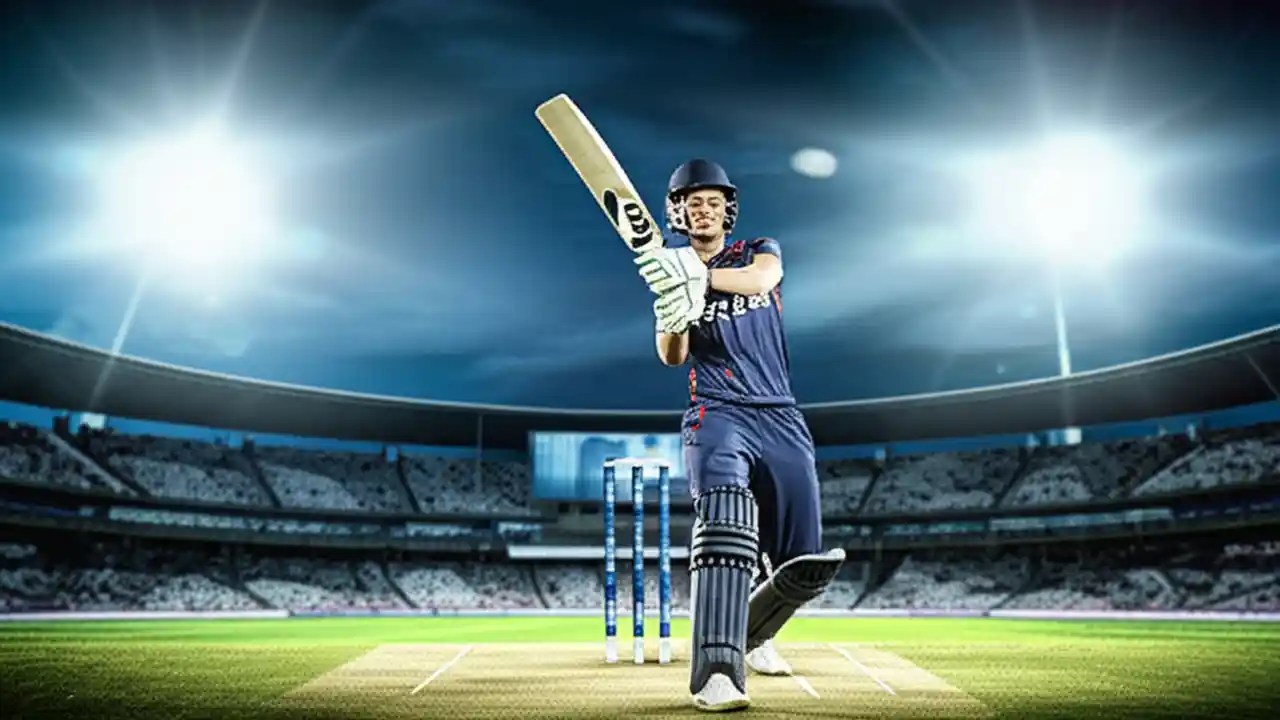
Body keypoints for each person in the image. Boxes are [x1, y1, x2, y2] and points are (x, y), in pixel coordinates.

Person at [635, 159, 846, 712]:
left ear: (726, 208)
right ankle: (717, 672)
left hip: (780, 414)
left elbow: (762, 280)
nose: (701, 209)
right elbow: (671, 355)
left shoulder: (756, 249)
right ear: (676, 213)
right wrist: (672, 302)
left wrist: (695, 278)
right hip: (717, 412)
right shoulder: (671, 269)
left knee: (802, 567)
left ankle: (756, 636)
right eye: (690, 202)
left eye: (711, 201)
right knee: (727, 523)